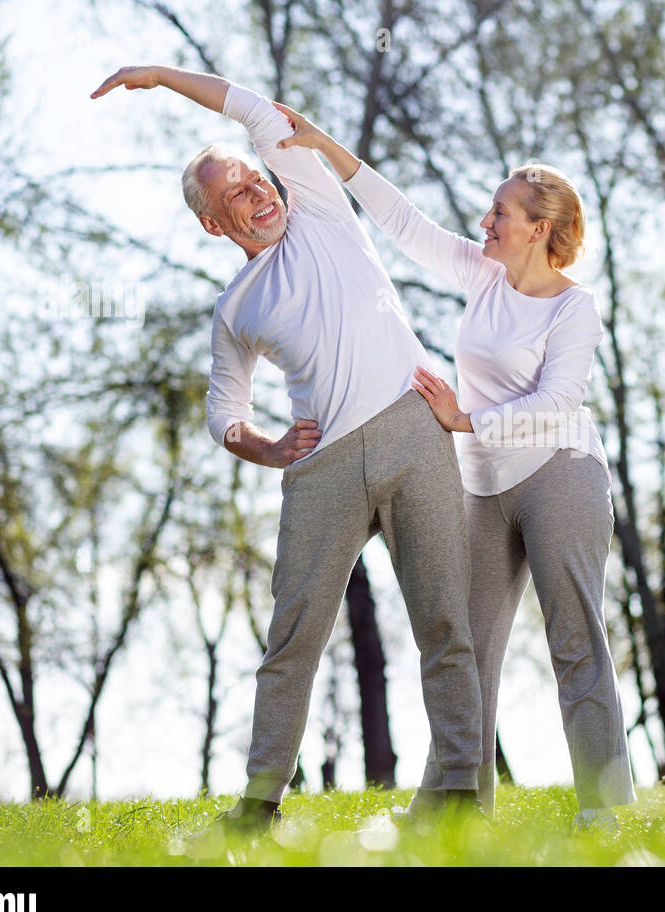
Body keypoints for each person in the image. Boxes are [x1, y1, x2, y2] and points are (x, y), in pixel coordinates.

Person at [90, 65, 484, 830]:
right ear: (214, 223)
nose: (257, 192)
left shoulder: (320, 207)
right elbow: (222, 411)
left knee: (445, 620)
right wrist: (266, 447)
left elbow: (253, 108)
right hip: (321, 470)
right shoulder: (235, 308)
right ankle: (259, 803)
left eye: (254, 178)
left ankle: (459, 797)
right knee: (293, 637)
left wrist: (159, 78)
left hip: (412, 431)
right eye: (234, 192)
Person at [273, 102, 636, 829]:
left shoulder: (574, 308)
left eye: (500, 211)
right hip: (485, 485)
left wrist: (463, 417)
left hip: (560, 472)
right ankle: (454, 809)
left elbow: (560, 399)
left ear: (539, 227)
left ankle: (606, 814)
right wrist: (326, 147)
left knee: (574, 638)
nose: (485, 221)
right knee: (463, 652)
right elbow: (403, 222)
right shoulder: (483, 274)